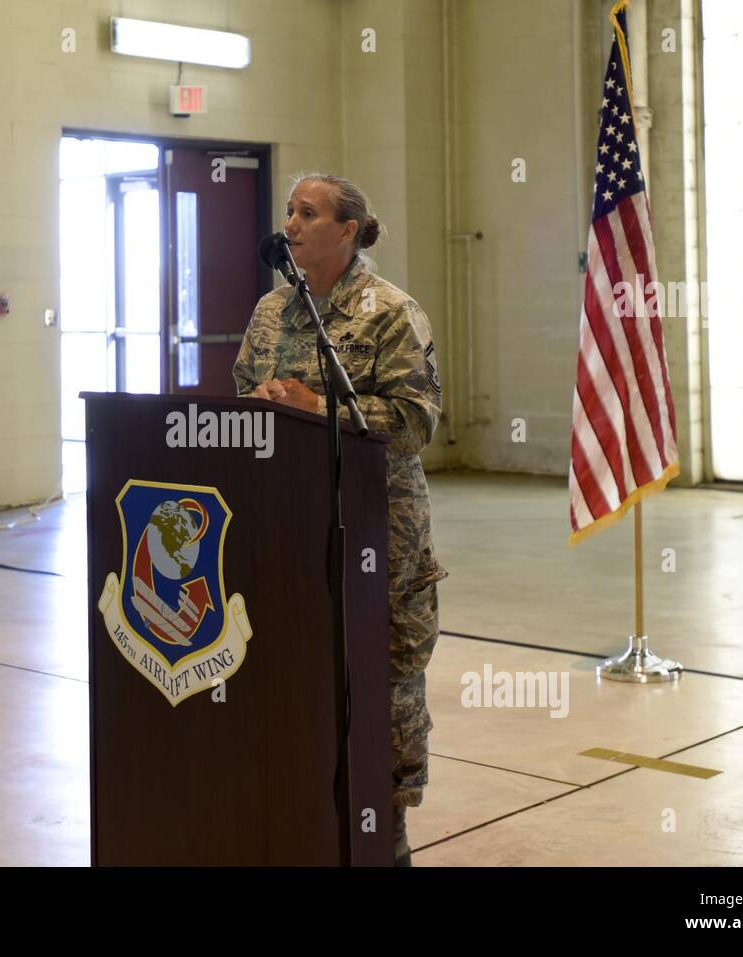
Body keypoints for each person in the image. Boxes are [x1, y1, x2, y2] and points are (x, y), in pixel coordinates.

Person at [233, 173, 446, 866]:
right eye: (289, 211)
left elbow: (417, 423)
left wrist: (317, 407)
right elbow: (242, 393)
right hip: (291, 532)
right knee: (299, 683)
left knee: (383, 687)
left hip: (381, 535)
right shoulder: (270, 313)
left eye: (308, 212)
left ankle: (387, 840)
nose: (290, 223)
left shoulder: (391, 313)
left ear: (348, 230)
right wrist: (264, 399)